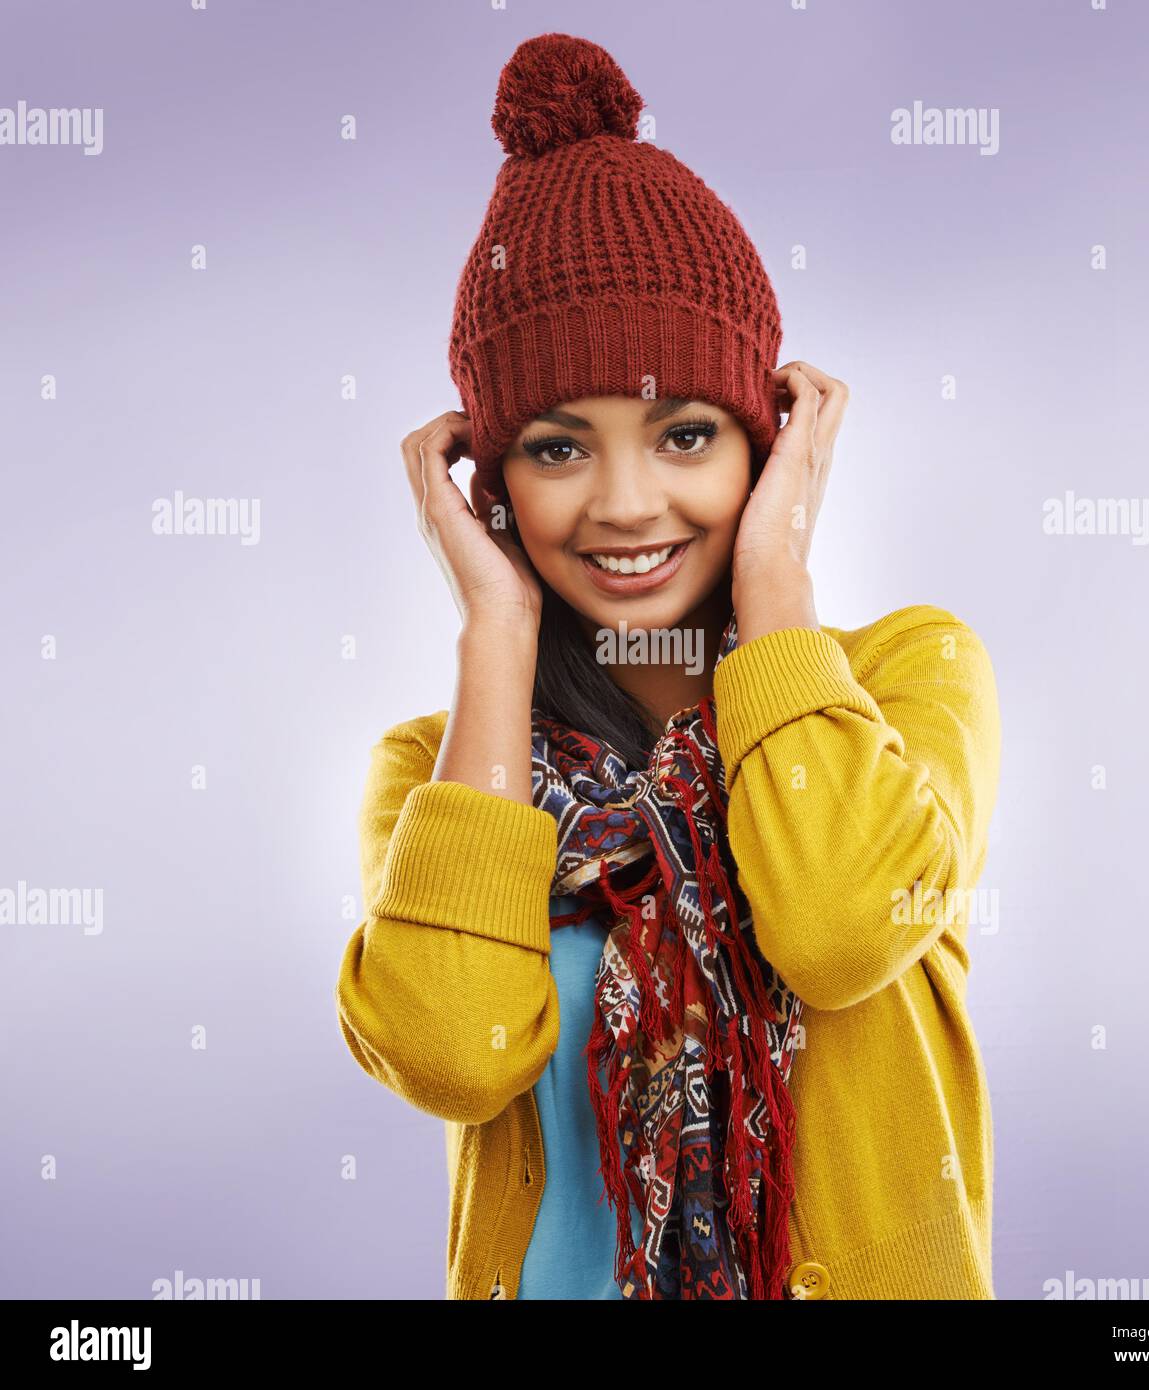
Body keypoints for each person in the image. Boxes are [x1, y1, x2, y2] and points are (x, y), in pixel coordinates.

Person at [335, 31, 1001, 1301]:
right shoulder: (437, 773)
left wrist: (776, 583)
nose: (628, 504)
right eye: (557, 447)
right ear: (492, 483)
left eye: (687, 433)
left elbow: (840, 926)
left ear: (769, 441)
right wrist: (496, 633)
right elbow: (449, 1054)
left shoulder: (908, 680)